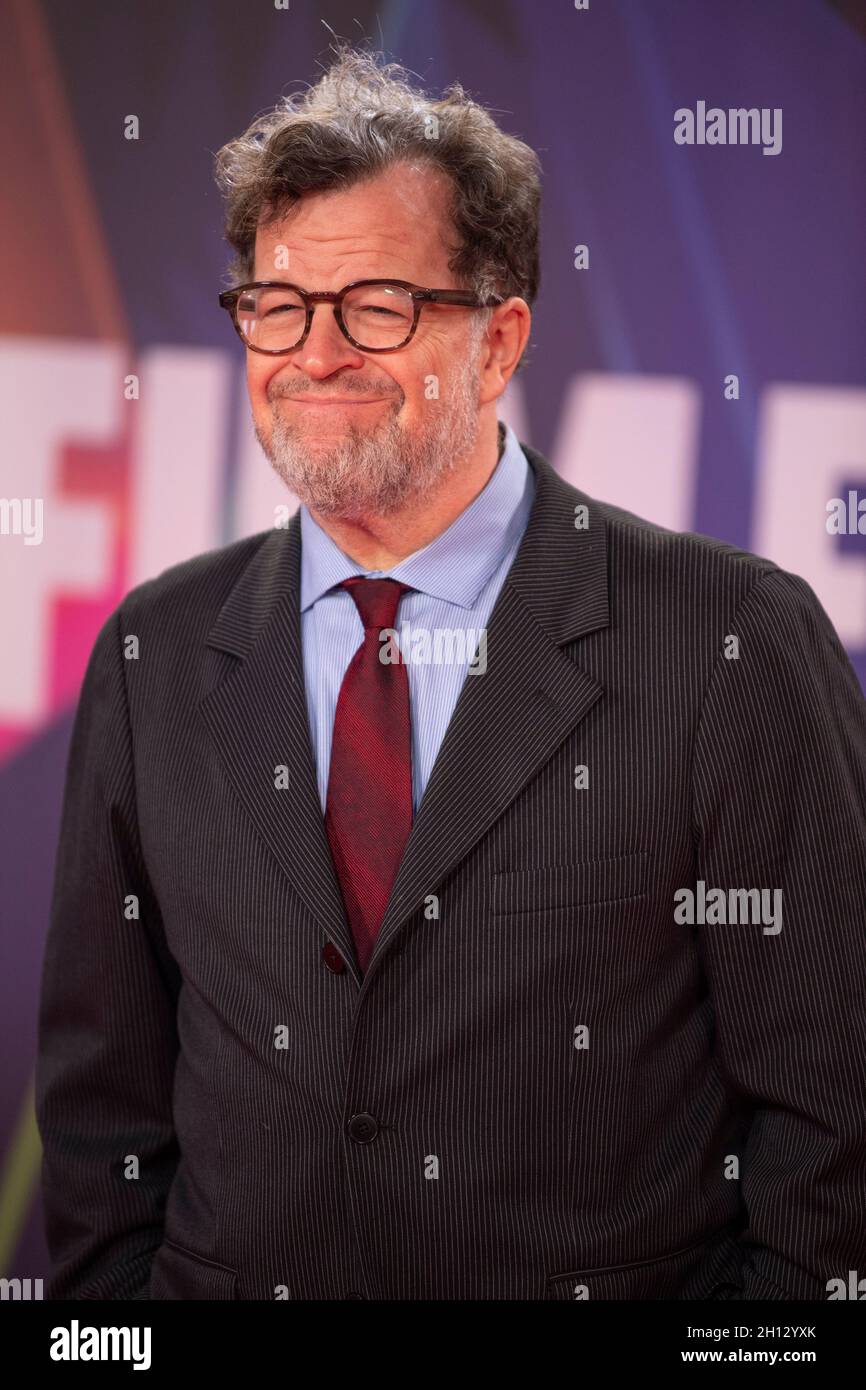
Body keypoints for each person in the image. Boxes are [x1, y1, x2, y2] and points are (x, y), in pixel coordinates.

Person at [36, 44, 866, 1301]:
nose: (314, 353)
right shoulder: (154, 653)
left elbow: (833, 1126)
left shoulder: (729, 642)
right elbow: (104, 1119)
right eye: (275, 303)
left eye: (376, 303)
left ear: (498, 339)